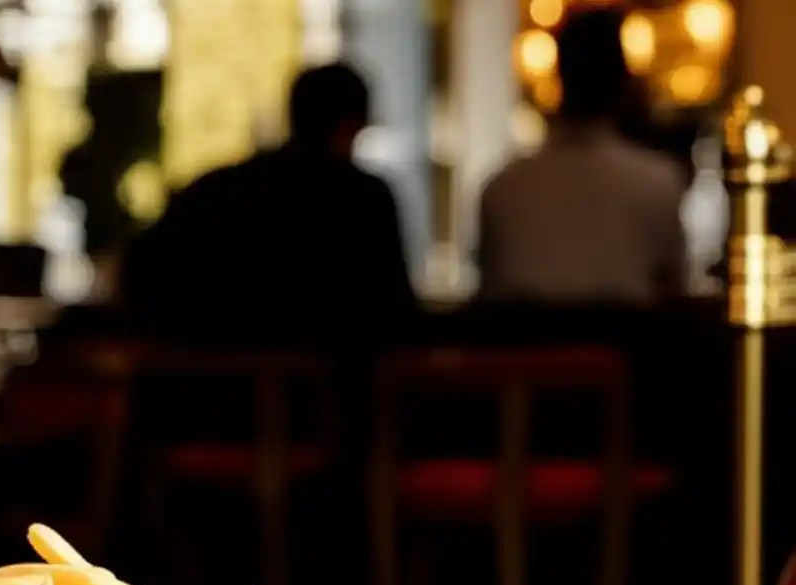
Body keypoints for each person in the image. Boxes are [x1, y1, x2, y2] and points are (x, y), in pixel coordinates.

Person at [121, 63, 416, 349]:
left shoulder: (222, 189)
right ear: (351, 127)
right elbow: (393, 310)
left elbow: (140, 267)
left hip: (208, 387)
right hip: (323, 393)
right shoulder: (364, 201)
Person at [478, 7, 688, 305]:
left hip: (525, 351)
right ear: (623, 81)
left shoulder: (502, 188)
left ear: (559, 76)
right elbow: (673, 297)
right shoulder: (657, 183)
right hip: (625, 349)